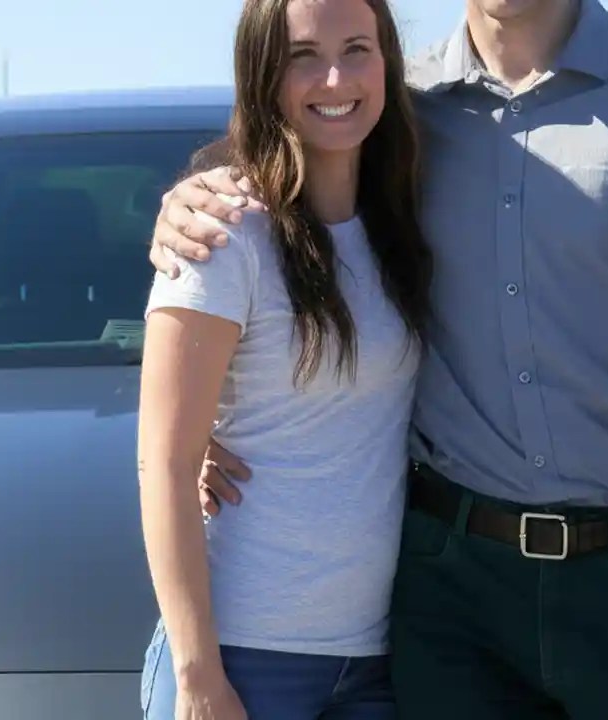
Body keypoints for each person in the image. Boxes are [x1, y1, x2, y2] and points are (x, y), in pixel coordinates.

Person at [152, 1, 608, 718]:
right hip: (453, 599)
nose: (333, 71)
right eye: (311, 57)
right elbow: (284, 167)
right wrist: (191, 196)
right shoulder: (401, 106)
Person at [135, 0, 431, 718]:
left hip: (376, 659)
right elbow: (164, 465)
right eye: (304, 55)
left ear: (387, 61)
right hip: (243, 657)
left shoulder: (403, 222)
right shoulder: (221, 233)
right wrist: (199, 675)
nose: (335, 78)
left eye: (357, 48)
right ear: (264, 73)